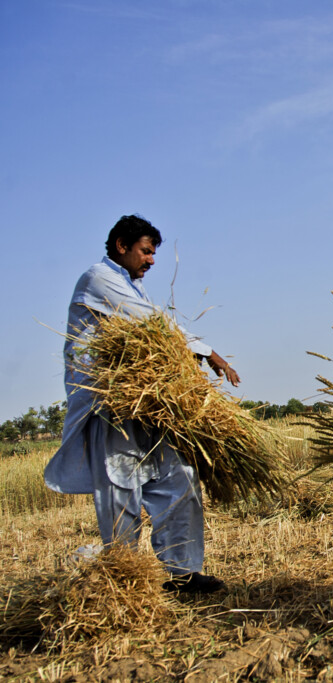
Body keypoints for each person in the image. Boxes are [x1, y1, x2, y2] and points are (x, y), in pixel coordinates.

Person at [45, 214, 239, 594]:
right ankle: (124, 579)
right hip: (110, 408)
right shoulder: (98, 279)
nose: (151, 260)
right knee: (121, 493)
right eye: (146, 251)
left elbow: (155, 326)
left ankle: (184, 574)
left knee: (180, 479)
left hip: (145, 408)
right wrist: (208, 352)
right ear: (122, 246)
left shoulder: (131, 286)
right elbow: (153, 324)